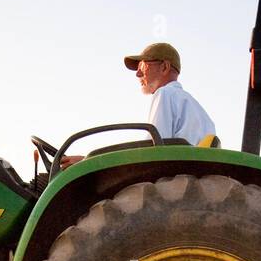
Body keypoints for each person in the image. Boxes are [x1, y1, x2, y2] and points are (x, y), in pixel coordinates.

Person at [59, 42, 216, 167]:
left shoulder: (165, 94)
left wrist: (90, 162)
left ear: (165, 67)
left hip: (175, 171)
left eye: (143, 66)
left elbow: (152, 151)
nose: (138, 74)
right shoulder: (195, 107)